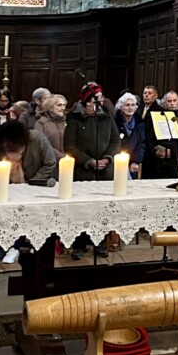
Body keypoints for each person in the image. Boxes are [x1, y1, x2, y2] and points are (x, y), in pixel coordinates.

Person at [64, 81, 121, 259]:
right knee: (82, 209)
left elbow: (115, 140)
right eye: (96, 99)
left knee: (102, 209)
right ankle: (79, 244)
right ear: (87, 101)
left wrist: (107, 158)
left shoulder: (106, 117)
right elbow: (69, 145)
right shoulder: (75, 118)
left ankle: (100, 243)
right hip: (83, 171)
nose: (99, 102)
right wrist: (88, 161)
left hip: (104, 171)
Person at [144, 89, 178, 180]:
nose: (172, 103)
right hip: (158, 164)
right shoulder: (158, 117)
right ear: (164, 103)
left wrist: (172, 152)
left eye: (174, 101)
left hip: (176, 162)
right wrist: (155, 150)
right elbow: (150, 139)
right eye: (169, 101)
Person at [115, 92, 145, 177]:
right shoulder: (115, 122)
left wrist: (135, 161)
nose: (130, 108)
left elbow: (141, 144)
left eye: (133, 105)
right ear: (121, 107)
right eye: (127, 105)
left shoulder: (140, 122)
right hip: (118, 161)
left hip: (133, 163)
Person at [36, 92, 68, 157]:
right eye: (59, 105)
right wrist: (60, 156)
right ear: (50, 107)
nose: (63, 108)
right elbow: (41, 144)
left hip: (67, 161)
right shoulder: (42, 123)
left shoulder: (66, 122)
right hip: (49, 162)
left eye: (64, 105)